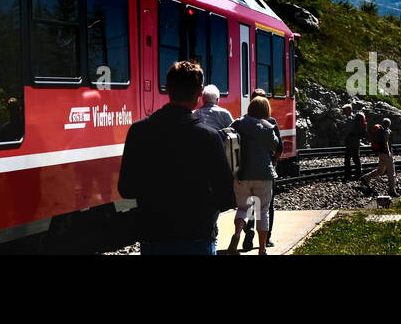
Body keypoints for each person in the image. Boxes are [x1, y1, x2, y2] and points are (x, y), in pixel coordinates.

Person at [118, 61, 236, 254]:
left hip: (154, 236)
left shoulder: (138, 131)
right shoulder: (209, 137)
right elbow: (226, 199)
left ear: (167, 88)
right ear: (199, 93)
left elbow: (126, 188)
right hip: (197, 236)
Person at [226, 95, 281, 255]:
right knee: (262, 210)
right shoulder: (268, 126)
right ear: (266, 110)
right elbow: (275, 146)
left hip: (242, 174)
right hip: (263, 174)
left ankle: (237, 236)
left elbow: (228, 137)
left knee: (243, 208)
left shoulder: (238, 123)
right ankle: (262, 248)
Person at [361, 119, 396, 196]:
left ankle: (366, 178)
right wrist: (388, 152)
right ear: (389, 124)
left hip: (380, 153)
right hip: (386, 154)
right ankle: (392, 191)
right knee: (391, 173)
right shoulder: (387, 131)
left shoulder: (380, 131)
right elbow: (386, 142)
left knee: (381, 170)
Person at [340, 104, 364, 180]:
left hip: (352, 140)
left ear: (349, 110)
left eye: (344, 110)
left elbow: (348, 131)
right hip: (354, 140)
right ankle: (356, 174)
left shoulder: (351, 118)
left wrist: (344, 138)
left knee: (352, 158)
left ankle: (352, 175)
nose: (343, 111)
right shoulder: (352, 118)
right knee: (354, 157)